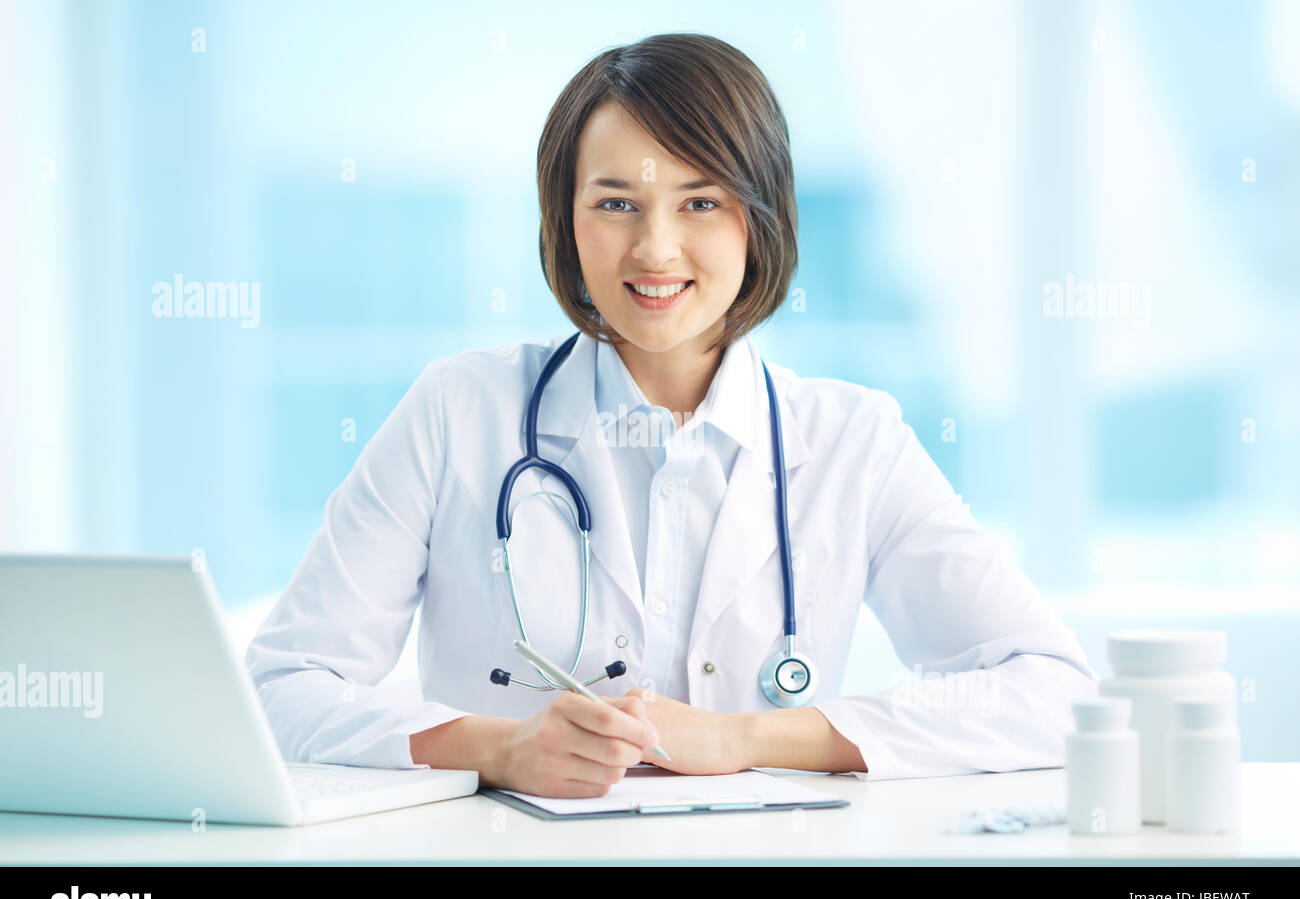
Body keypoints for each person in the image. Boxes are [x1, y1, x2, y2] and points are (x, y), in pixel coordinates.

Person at [245, 32, 1098, 798]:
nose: (655, 249)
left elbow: (1053, 689)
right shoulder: (459, 413)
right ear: (565, 220)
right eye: (616, 203)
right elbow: (282, 686)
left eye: (701, 202)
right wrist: (499, 749)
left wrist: (743, 740)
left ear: (761, 219)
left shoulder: (852, 442)